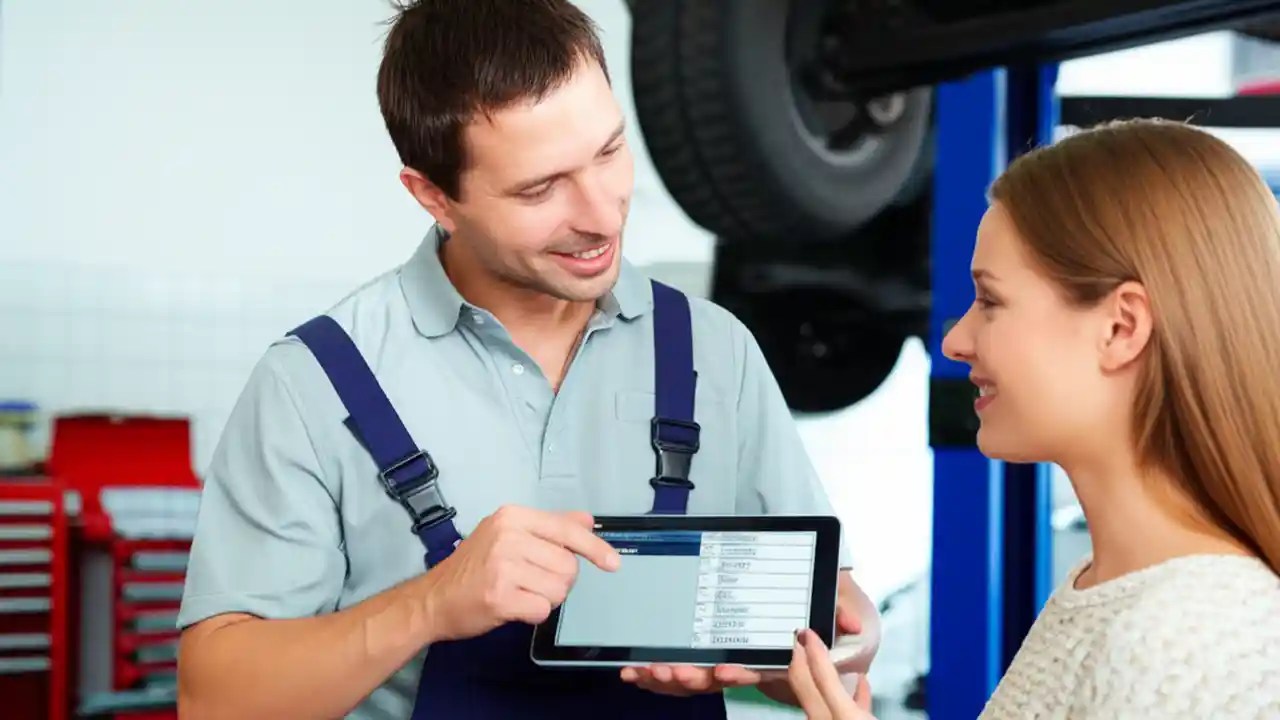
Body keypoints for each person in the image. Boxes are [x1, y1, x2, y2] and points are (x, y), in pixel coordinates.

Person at [174, 1, 880, 718]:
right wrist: (429, 605)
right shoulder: (315, 382)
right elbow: (213, 702)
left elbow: (830, 638)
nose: (602, 214)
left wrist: (825, 646)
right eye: (541, 189)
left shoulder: (714, 352)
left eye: (609, 152)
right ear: (434, 197)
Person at [788, 117, 1280, 720]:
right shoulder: (1104, 589)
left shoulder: (1183, 635)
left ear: (1121, 328)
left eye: (990, 301)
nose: (955, 341)